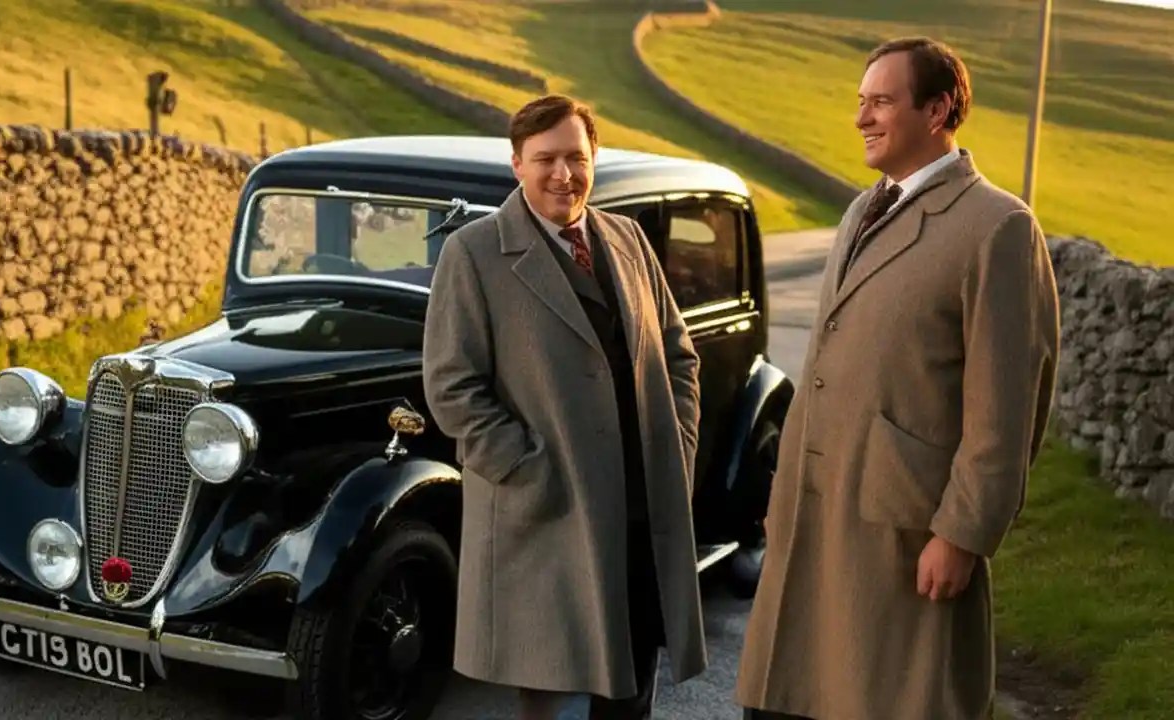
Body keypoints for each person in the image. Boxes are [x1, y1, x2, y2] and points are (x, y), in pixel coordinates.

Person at [734, 37, 1061, 720]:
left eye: (881, 101)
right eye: (861, 101)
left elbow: (1006, 407)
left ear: (938, 109)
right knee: (787, 696)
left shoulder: (997, 227)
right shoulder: (862, 209)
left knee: (885, 697)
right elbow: (826, 362)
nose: (861, 118)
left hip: (905, 532)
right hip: (818, 509)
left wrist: (963, 534)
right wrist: (786, 487)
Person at [422, 94, 707, 719]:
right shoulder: (472, 253)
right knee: (546, 690)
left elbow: (680, 356)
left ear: (594, 159)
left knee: (633, 680)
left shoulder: (627, 237)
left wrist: (675, 447)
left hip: (639, 505)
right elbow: (451, 385)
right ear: (517, 165)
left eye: (576, 157)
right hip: (545, 508)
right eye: (545, 158)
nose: (563, 174)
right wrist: (525, 467)